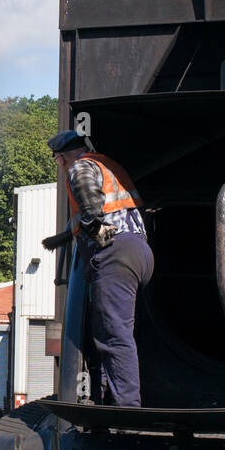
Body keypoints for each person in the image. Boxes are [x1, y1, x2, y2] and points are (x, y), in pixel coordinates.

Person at [42, 128, 154, 407]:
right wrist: (59, 239)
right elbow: (81, 218)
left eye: (58, 161)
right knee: (109, 329)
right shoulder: (107, 166)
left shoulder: (79, 167)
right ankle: (108, 395)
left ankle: (127, 408)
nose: (61, 166)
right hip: (139, 252)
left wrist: (93, 225)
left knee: (113, 334)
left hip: (116, 252)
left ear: (62, 158)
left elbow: (87, 197)